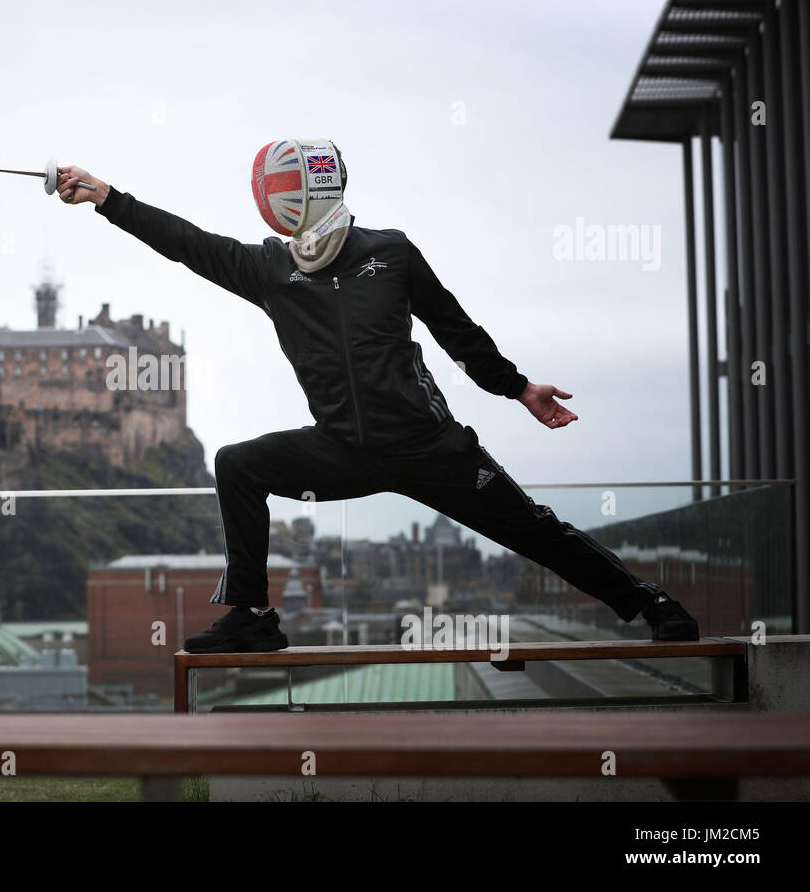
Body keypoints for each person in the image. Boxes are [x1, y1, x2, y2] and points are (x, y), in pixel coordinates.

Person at [55, 138, 700, 653]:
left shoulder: (390, 255)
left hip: (429, 447)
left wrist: (518, 388)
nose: (276, 208)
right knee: (237, 464)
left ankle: (650, 602)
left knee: (532, 530)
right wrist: (107, 198)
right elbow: (186, 245)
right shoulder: (272, 270)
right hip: (344, 450)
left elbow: (457, 331)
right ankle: (252, 617)